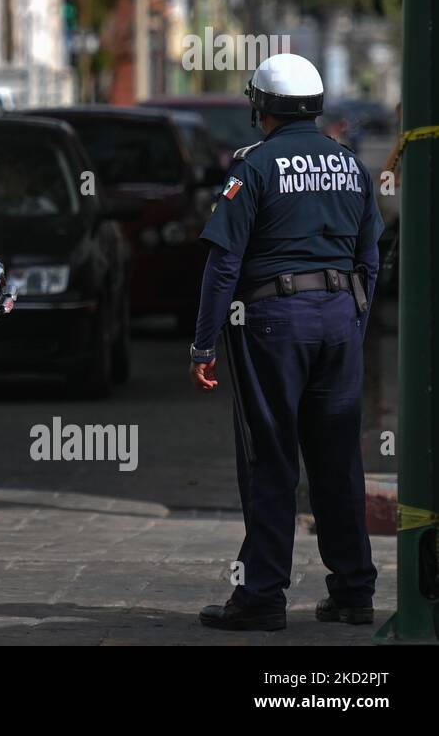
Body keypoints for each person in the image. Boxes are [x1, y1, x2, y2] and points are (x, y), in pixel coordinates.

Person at [189, 53, 383, 631]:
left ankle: (261, 596)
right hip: (338, 320)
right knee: (339, 460)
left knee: (269, 460)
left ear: (262, 107)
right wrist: (355, 325)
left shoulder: (252, 167)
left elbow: (223, 266)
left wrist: (203, 345)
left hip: (273, 324)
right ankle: (353, 592)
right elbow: (369, 259)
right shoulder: (350, 165)